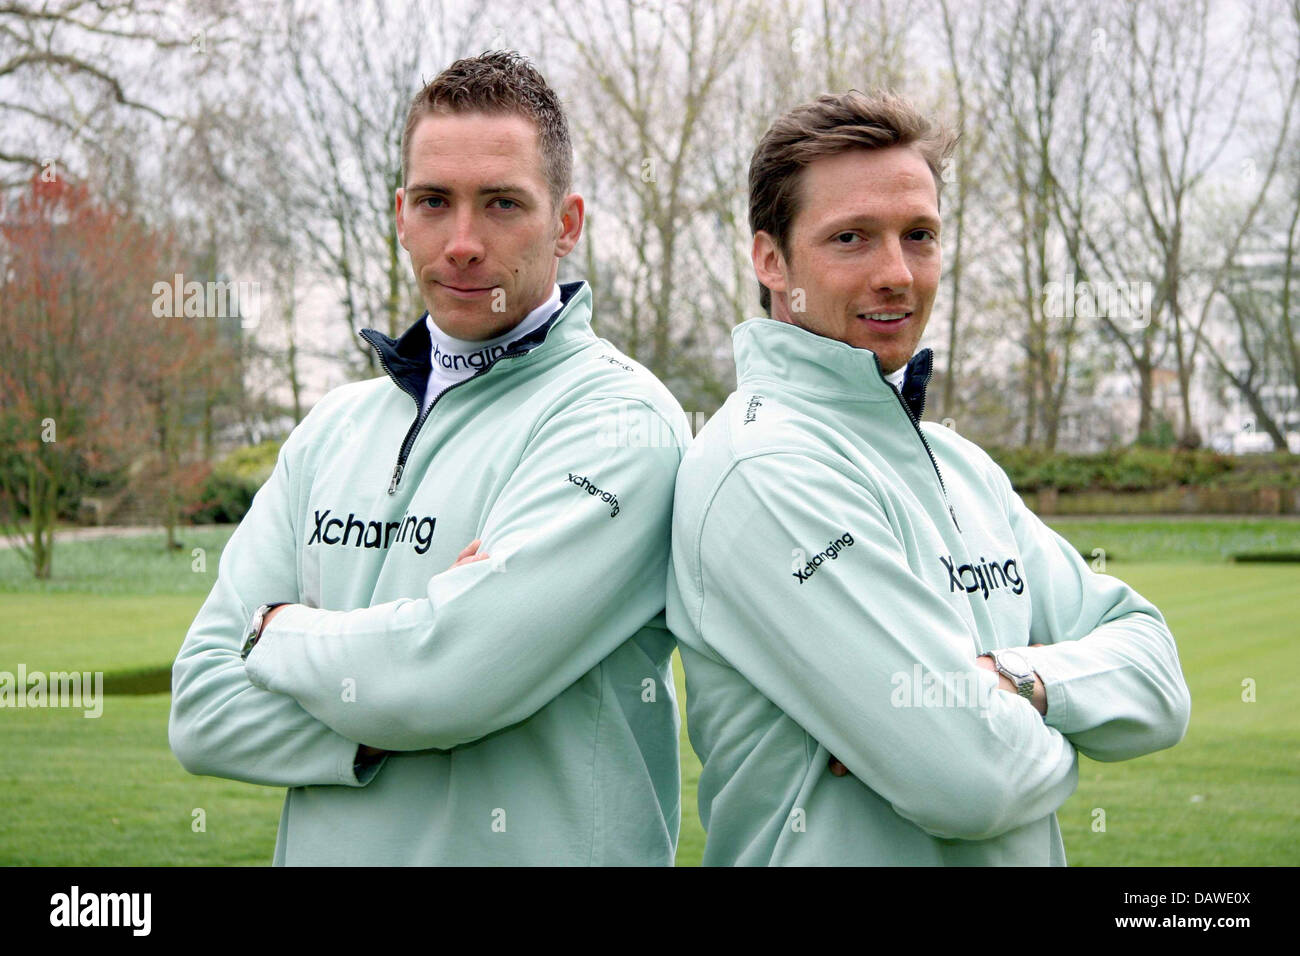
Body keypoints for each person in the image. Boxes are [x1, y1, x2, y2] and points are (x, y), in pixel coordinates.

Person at [169, 51, 691, 865]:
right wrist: (391, 710)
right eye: (435, 201)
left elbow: (446, 678)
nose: (463, 243)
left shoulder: (623, 422)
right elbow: (201, 708)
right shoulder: (332, 428)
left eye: (503, 204)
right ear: (400, 214)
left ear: (567, 222)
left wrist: (277, 635)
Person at [665, 89, 1192, 865]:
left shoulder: (962, 466)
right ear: (770, 259)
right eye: (851, 238)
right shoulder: (759, 466)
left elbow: (1159, 677)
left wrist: (1013, 678)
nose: (897, 274)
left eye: (920, 236)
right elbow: (972, 778)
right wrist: (1057, 725)